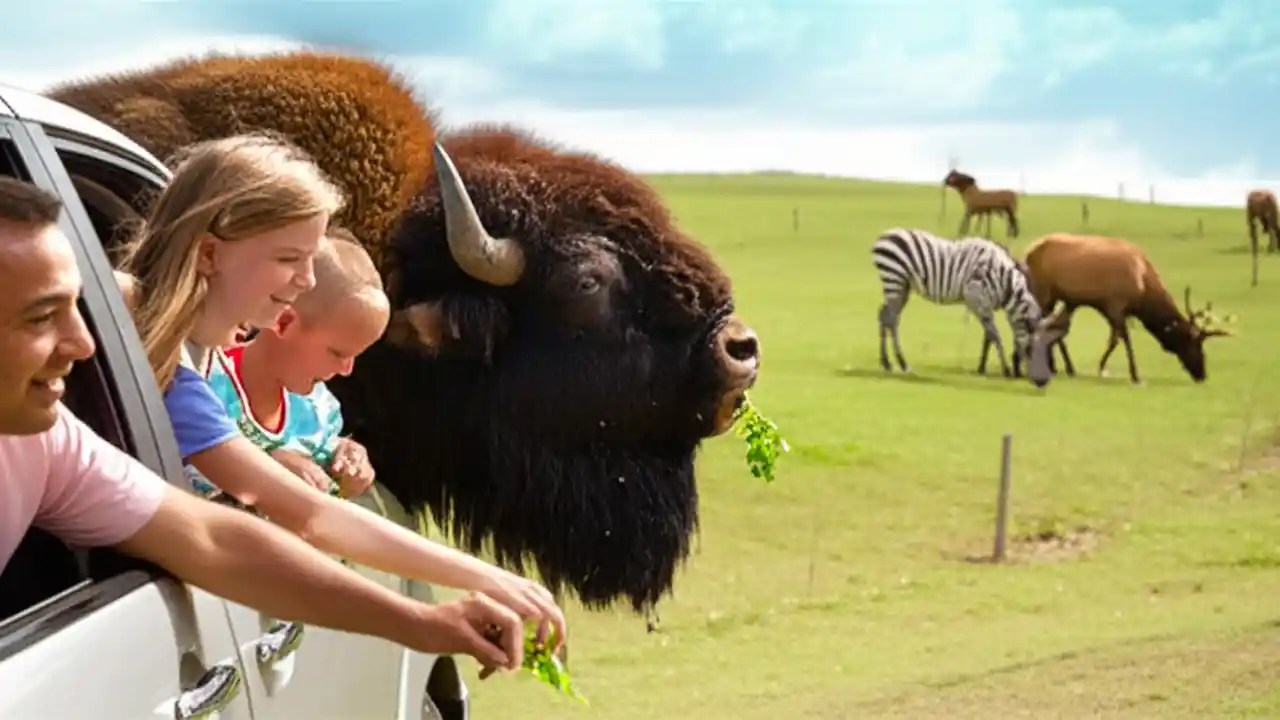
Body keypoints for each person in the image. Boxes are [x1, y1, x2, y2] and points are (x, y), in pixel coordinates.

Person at [0, 175, 526, 672]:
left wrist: (425, 622)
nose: (87, 343)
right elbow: (301, 514)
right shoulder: (178, 385)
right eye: (41, 316)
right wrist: (467, 583)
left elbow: (214, 539)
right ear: (209, 254)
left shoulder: (50, 442)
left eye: (79, 307)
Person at [114, 133, 566, 652]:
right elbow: (309, 514)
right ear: (211, 253)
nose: (306, 282)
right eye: (289, 258)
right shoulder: (153, 351)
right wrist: (486, 578)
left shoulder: (186, 358)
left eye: (311, 259)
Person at [193, 227, 384, 502]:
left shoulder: (320, 413)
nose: (347, 369)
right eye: (337, 352)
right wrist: (266, 471)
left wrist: (348, 466)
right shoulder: (204, 379)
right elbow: (173, 466)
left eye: (356, 356)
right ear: (283, 323)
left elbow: (328, 491)